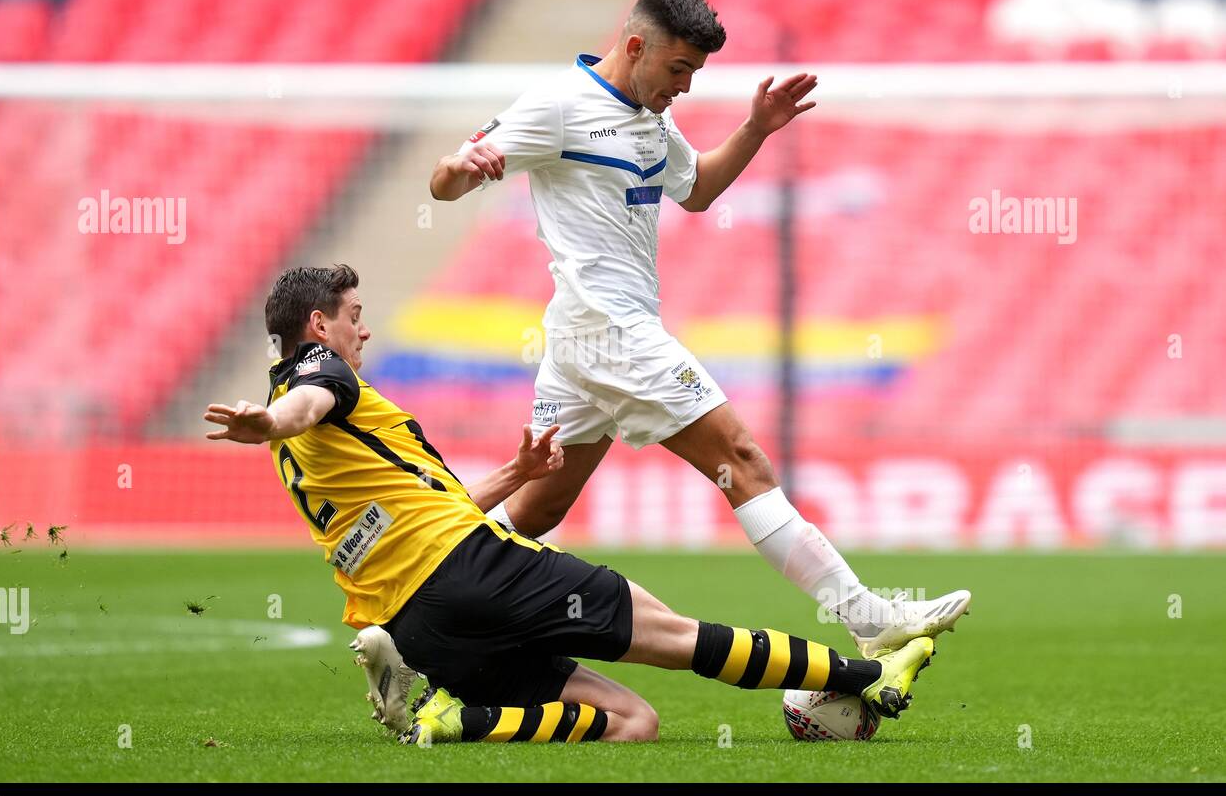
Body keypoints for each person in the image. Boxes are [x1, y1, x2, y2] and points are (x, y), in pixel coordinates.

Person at [429, 0, 971, 657]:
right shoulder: (560, 106)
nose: (683, 85)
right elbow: (443, 183)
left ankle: (412, 612)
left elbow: (697, 190)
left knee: (538, 506)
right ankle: (867, 617)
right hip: (610, 328)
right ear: (634, 46)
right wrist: (461, 164)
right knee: (742, 459)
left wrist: (756, 128)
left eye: (694, 72)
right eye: (678, 68)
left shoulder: (652, 117)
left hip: (581, 336)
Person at [204, 264, 938, 744]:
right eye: (353, 315)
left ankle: (458, 718)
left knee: (634, 723)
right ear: (316, 326)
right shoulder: (314, 378)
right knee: (677, 635)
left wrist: (515, 472)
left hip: (419, 624)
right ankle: (864, 674)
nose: (361, 329)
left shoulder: (313, 443)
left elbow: (428, 499)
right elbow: (302, 404)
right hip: (469, 572)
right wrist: (268, 420)